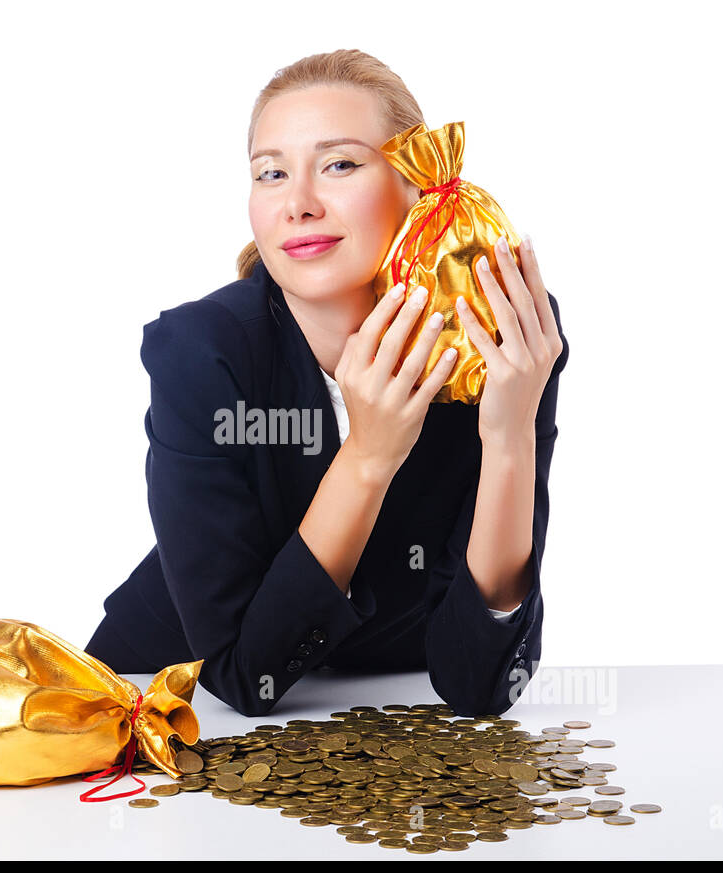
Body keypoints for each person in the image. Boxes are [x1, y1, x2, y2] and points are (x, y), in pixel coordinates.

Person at [85, 49, 569, 717]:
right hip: (162, 700)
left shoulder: (504, 339)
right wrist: (369, 456)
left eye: (339, 164)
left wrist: (510, 431)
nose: (298, 204)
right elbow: (242, 678)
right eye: (271, 174)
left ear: (419, 184)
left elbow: (484, 682)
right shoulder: (200, 354)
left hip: (380, 713)